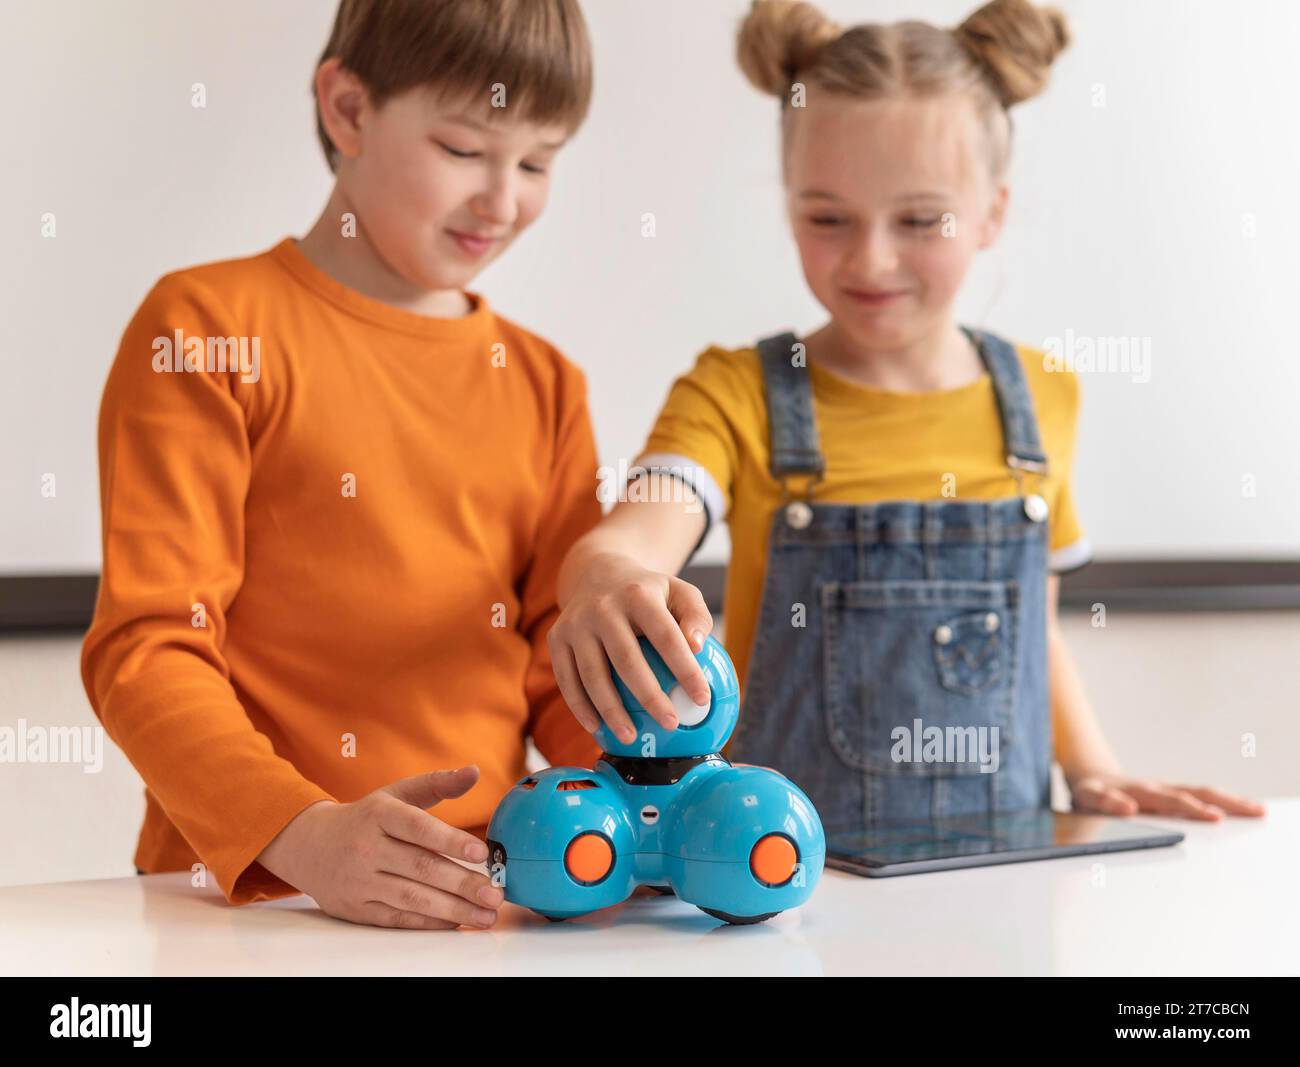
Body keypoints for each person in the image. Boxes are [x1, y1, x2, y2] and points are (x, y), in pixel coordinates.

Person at [548, 0, 1266, 832]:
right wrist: (604, 573)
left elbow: (1036, 629)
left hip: (1001, 882)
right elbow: (638, 533)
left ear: (992, 212)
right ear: (788, 206)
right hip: (777, 887)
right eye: (827, 218)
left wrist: (1095, 770)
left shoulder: (1043, 394)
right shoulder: (734, 390)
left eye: (921, 219)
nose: (872, 258)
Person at [82, 0, 605, 930]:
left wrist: (618, 807)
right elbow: (149, 646)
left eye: (537, 162)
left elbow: (559, 659)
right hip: (246, 904)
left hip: (488, 902)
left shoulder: (546, 383)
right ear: (349, 110)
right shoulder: (204, 329)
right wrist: (300, 832)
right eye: (463, 149)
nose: (502, 199)